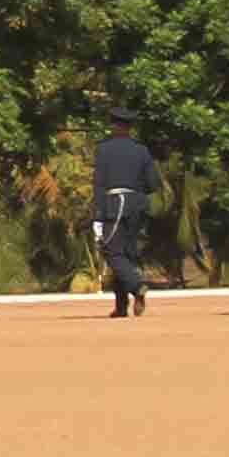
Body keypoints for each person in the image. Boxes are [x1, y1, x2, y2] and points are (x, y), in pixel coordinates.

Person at [92, 116, 154, 316]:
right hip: (137, 204)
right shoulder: (141, 150)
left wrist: (98, 216)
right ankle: (121, 306)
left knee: (112, 252)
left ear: (115, 126)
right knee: (127, 253)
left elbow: (99, 183)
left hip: (115, 203)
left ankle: (137, 287)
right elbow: (153, 183)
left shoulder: (104, 149)